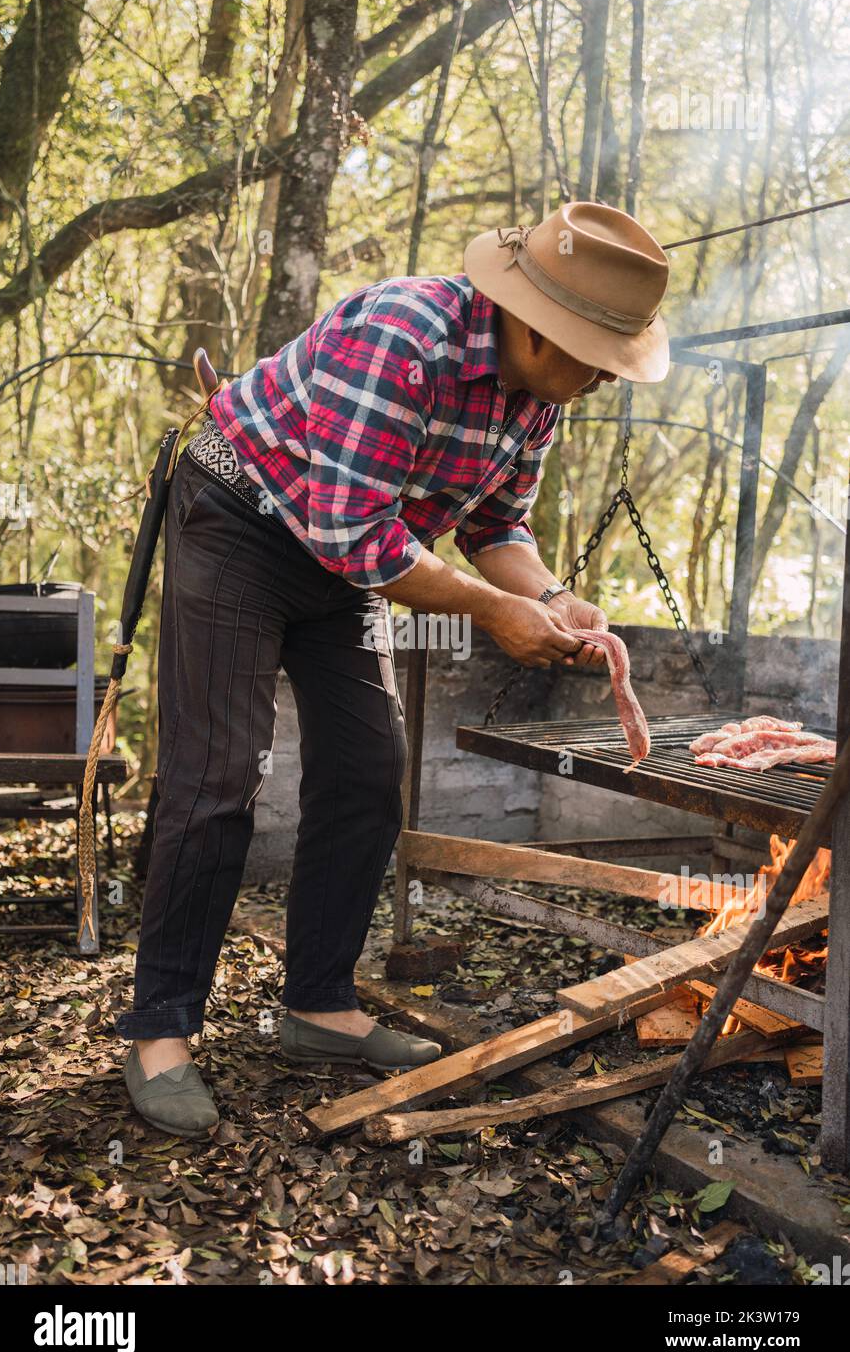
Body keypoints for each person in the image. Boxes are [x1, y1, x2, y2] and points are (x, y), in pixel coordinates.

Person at [119, 200, 670, 1137]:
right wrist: (495, 612)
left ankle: (317, 1005)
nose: (597, 379)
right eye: (591, 356)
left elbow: (496, 527)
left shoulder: (541, 398)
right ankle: (160, 1031)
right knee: (218, 776)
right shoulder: (405, 336)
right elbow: (351, 532)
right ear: (534, 326)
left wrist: (548, 596)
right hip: (241, 526)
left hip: (355, 551)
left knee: (370, 767)